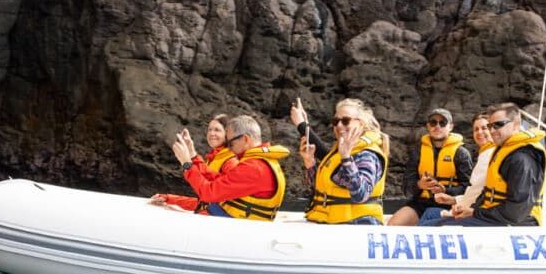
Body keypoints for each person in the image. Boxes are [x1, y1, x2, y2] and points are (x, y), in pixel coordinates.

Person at [155, 115, 289, 220]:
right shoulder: (261, 162)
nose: (229, 147)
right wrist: (192, 156)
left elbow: (208, 193)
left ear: (246, 139)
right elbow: (218, 181)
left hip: (234, 227)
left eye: (230, 143)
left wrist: (186, 164)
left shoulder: (254, 168)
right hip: (230, 219)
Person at [434, 102, 546, 227]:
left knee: (441, 228)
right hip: (496, 218)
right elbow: (488, 194)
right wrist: (470, 210)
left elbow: (517, 212)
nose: (492, 130)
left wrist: (476, 212)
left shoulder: (522, 159)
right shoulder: (502, 151)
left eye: (499, 125)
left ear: (516, 125)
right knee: (438, 225)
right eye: (490, 126)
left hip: (518, 225)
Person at [291, 97, 389, 225]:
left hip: (358, 224)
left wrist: (346, 158)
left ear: (361, 123)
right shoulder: (339, 151)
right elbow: (322, 187)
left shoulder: (367, 155)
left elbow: (361, 194)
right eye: (336, 121)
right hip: (332, 221)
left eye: (346, 120)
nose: (339, 125)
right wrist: (309, 162)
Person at [387, 108, 474, 226]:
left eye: (442, 123)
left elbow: (468, 188)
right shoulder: (418, 152)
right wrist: (419, 185)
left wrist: (446, 190)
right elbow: (407, 187)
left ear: (451, 127)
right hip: (421, 202)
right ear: (428, 126)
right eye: (433, 122)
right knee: (394, 224)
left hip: (450, 204)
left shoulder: (461, 153)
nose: (437, 126)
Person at [149, 114, 235, 211]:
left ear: (228, 134)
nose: (211, 133)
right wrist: (169, 199)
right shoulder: (214, 158)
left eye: (217, 130)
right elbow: (203, 203)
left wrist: (187, 162)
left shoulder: (231, 162)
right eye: (209, 130)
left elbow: (218, 203)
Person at [422, 112, 493, 224]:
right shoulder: (417, 151)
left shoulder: (485, 154)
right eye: (476, 129)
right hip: (435, 201)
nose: (479, 132)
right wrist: (453, 199)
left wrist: (450, 196)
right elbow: (475, 192)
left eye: (484, 128)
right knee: (429, 212)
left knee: (427, 222)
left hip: (479, 213)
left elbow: (473, 190)